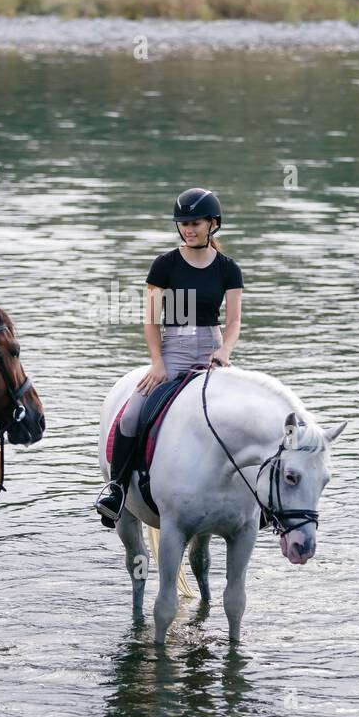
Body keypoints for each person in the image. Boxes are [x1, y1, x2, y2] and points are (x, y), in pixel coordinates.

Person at [96, 187, 243, 526]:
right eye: (183, 224)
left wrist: (224, 351)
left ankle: (254, 498)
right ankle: (116, 489)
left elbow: (234, 321)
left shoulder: (228, 269)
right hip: (173, 351)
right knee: (131, 416)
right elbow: (150, 320)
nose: (188, 229)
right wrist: (158, 362)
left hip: (212, 351)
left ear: (212, 224)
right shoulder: (164, 265)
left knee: (243, 419)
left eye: (195, 223)